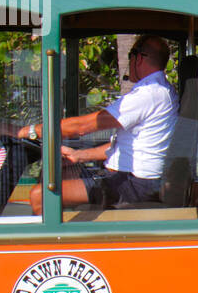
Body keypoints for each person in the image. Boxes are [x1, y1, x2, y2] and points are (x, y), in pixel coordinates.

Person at [20, 34, 178, 214]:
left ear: (139, 58)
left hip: (133, 186)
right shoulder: (159, 91)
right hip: (130, 181)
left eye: (130, 57)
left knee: (39, 196)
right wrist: (80, 155)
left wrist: (34, 130)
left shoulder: (149, 94)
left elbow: (85, 126)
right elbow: (125, 146)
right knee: (62, 173)